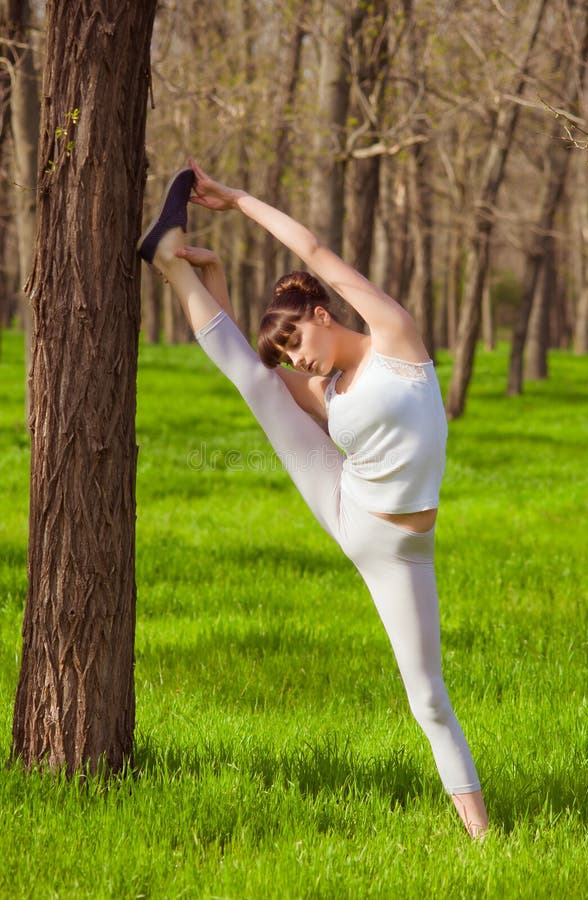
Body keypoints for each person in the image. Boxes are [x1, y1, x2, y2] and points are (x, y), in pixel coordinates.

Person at [137, 162, 489, 839]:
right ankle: (172, 262)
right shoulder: (321, 388)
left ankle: (483, 839)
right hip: (344, 505)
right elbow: (257, 363)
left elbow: (317, 253)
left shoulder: (395, 338)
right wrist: (208, 279)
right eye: (292, 354)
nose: (300, 360)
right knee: (256, 383)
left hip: (404, 556)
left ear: (324, 316)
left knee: (429, 699)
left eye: (300, 343)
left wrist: (239, 200)